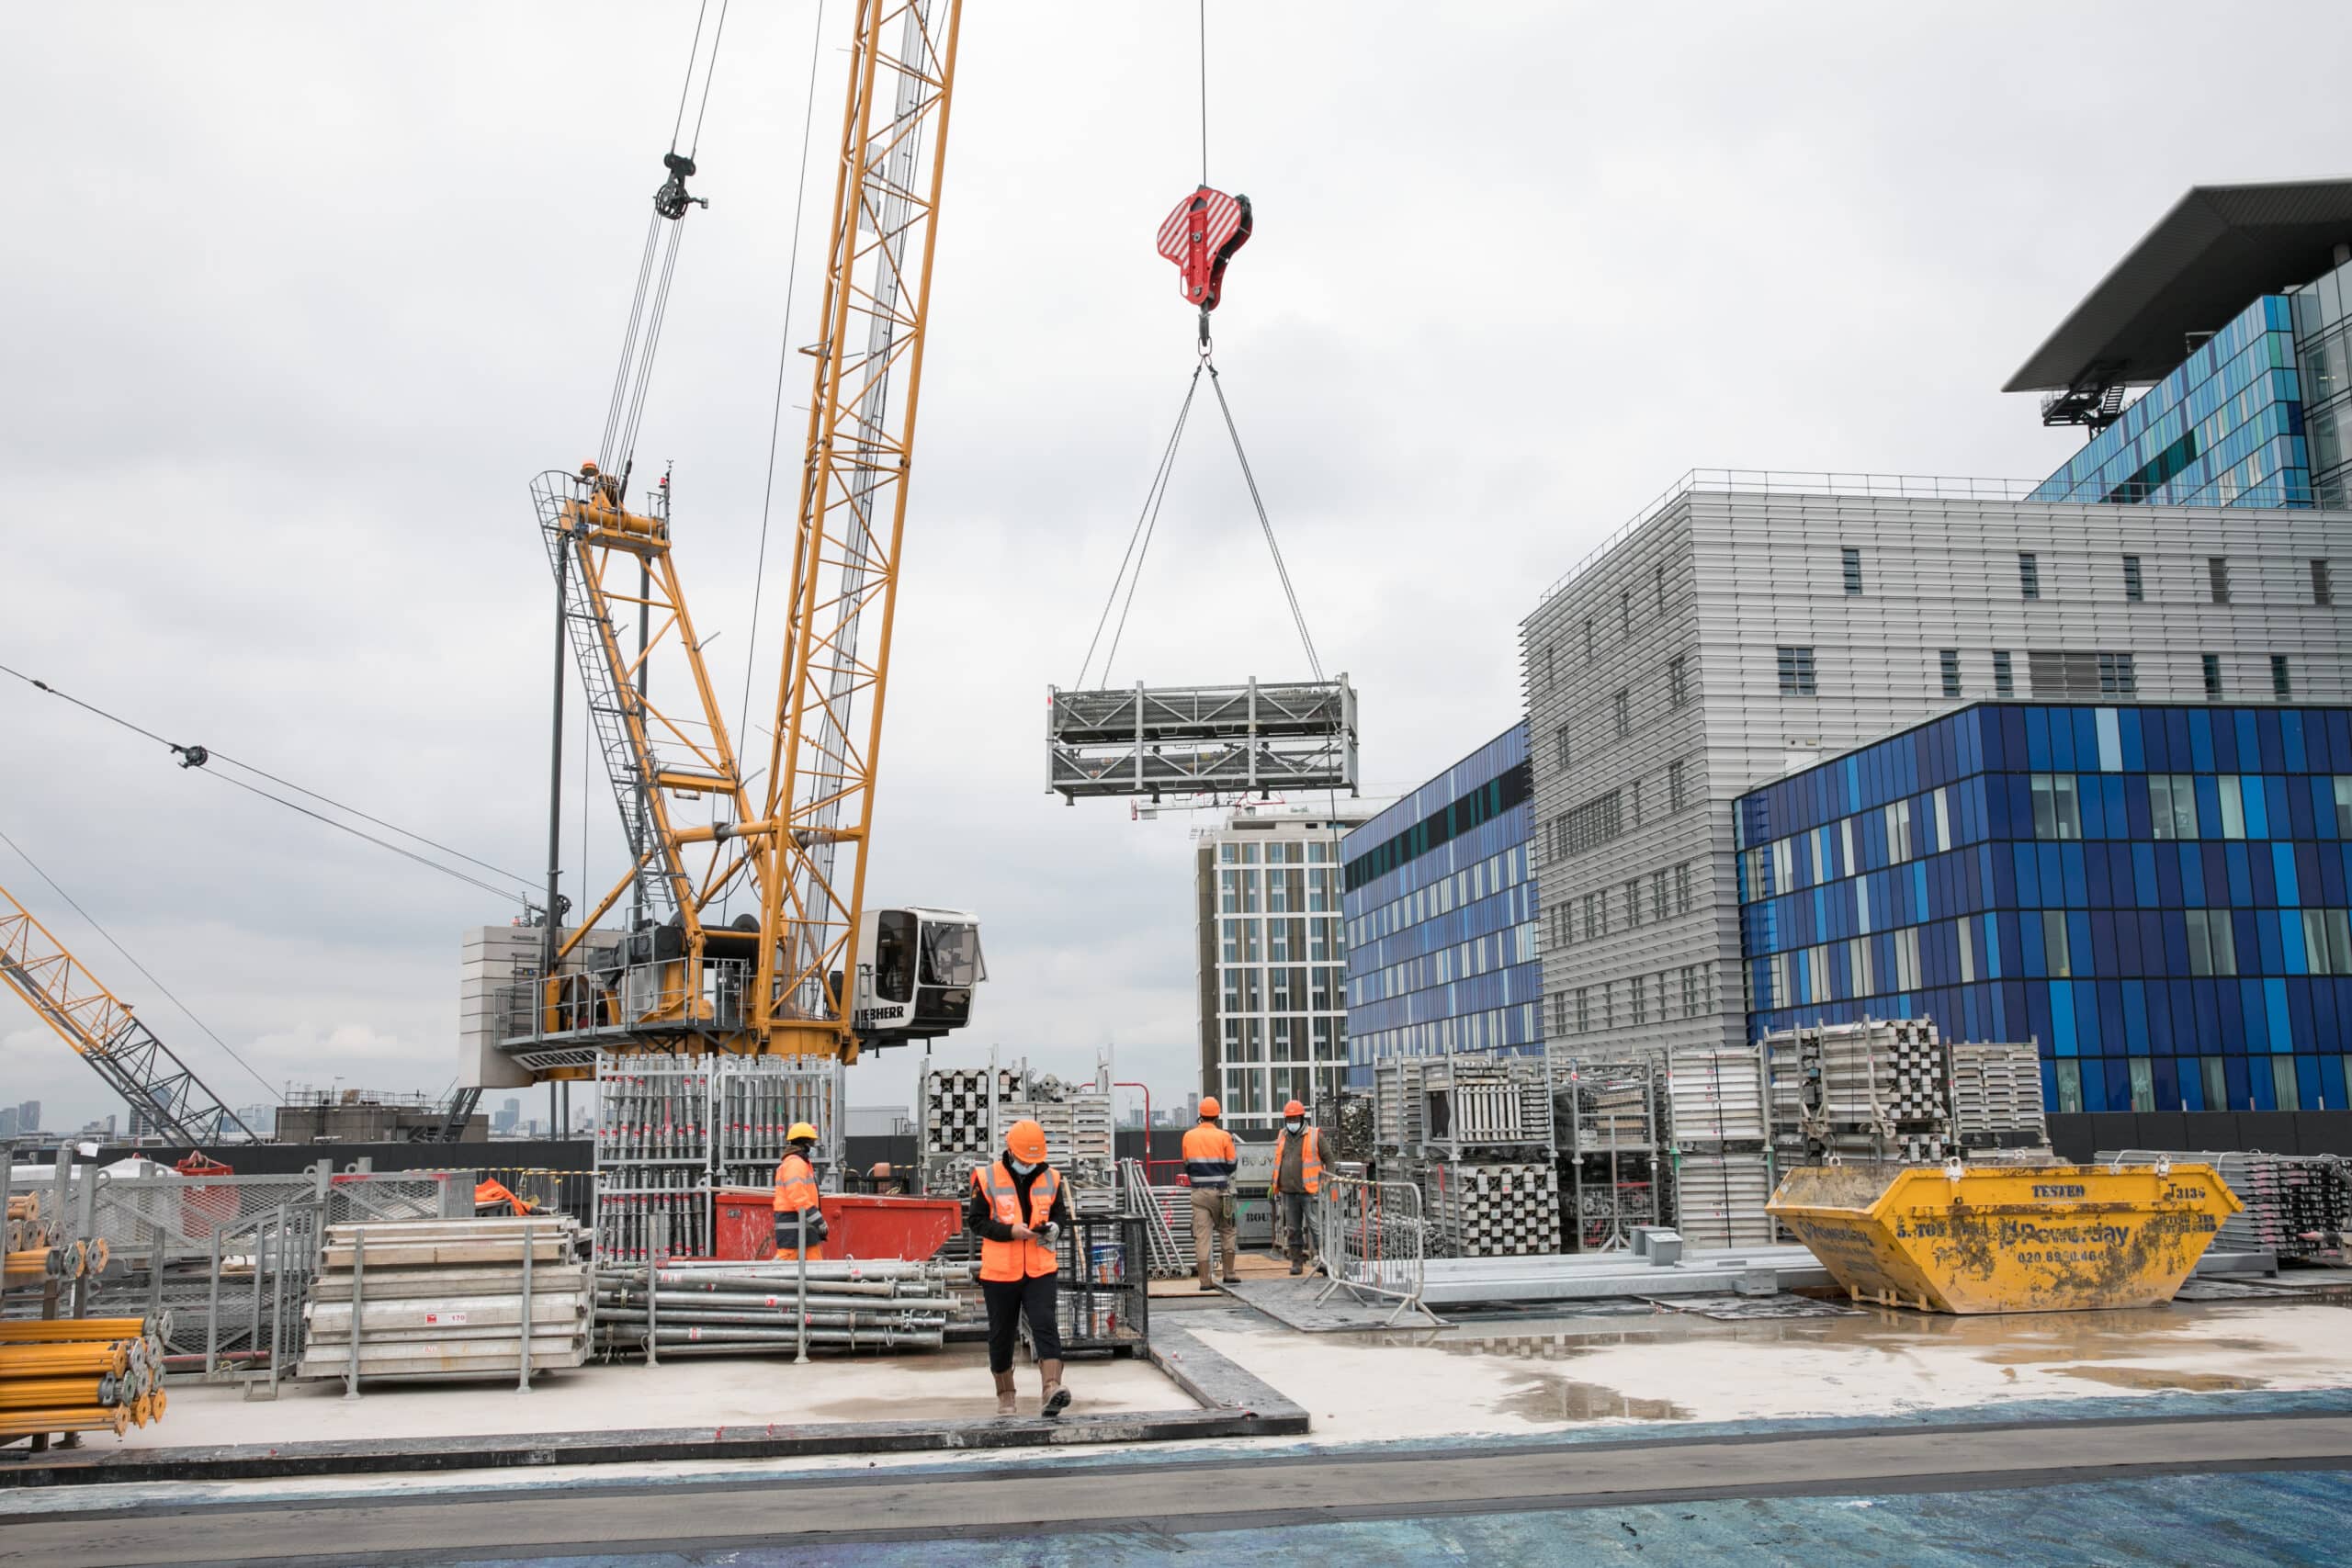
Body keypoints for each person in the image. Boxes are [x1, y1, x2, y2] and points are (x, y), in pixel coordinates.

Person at [967, 1119, 1073, 1418]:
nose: (1030, 1164)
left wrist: (1054, 1228)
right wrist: (1010, 1232)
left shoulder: (1052, 1177)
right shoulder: (986, 1177)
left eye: (1034, 1159)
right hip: (1001, 1272)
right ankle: (1006, 1396)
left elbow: (1059, 1214)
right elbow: (976, 1222)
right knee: (1001, 1334)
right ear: (1010, 1152)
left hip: (1040, 1268)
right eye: (1026, 1159)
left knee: (1045, 1324)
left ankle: (1052, 1387)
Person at [1182, 1097, 1239, 1290]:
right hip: (1221, 1193)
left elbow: (1188, 1165)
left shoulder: (1188, 1136)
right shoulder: (1224, 1136)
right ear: (1217, 1115)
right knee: (1228, 1230)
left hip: (1199, 1194)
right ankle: (1229, 1274)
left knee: (1202, 1236)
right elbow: (1232, 1165)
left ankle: (1205, 1281)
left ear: (1201, 1115)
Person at [1271, 1100, 1323, 1276]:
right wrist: (1273, 1183)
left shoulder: (1314, 1135)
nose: (1292, 1123)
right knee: (1293, 1229)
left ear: (1302, 1118)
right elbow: (1279, 1161)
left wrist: (1327, 1180)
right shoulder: (1282, 1136)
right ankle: (1296, 1262)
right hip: (1288, 1191)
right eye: (1289, 1119)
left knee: (1315, 1227)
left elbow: (1329, 1158)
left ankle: (1324, 1260)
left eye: (1295, 1119)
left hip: (1309, 1191)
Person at [774, 1122, 828, 1261]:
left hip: (803, 1225)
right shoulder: (795, 1163)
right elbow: (797, 1195)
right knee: (783, 1266)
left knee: (815, 1266)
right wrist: (818, 1219)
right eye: (812, 1142)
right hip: (793, 1225)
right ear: (805, 1143)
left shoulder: (800, 1162)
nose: (814, 1146)